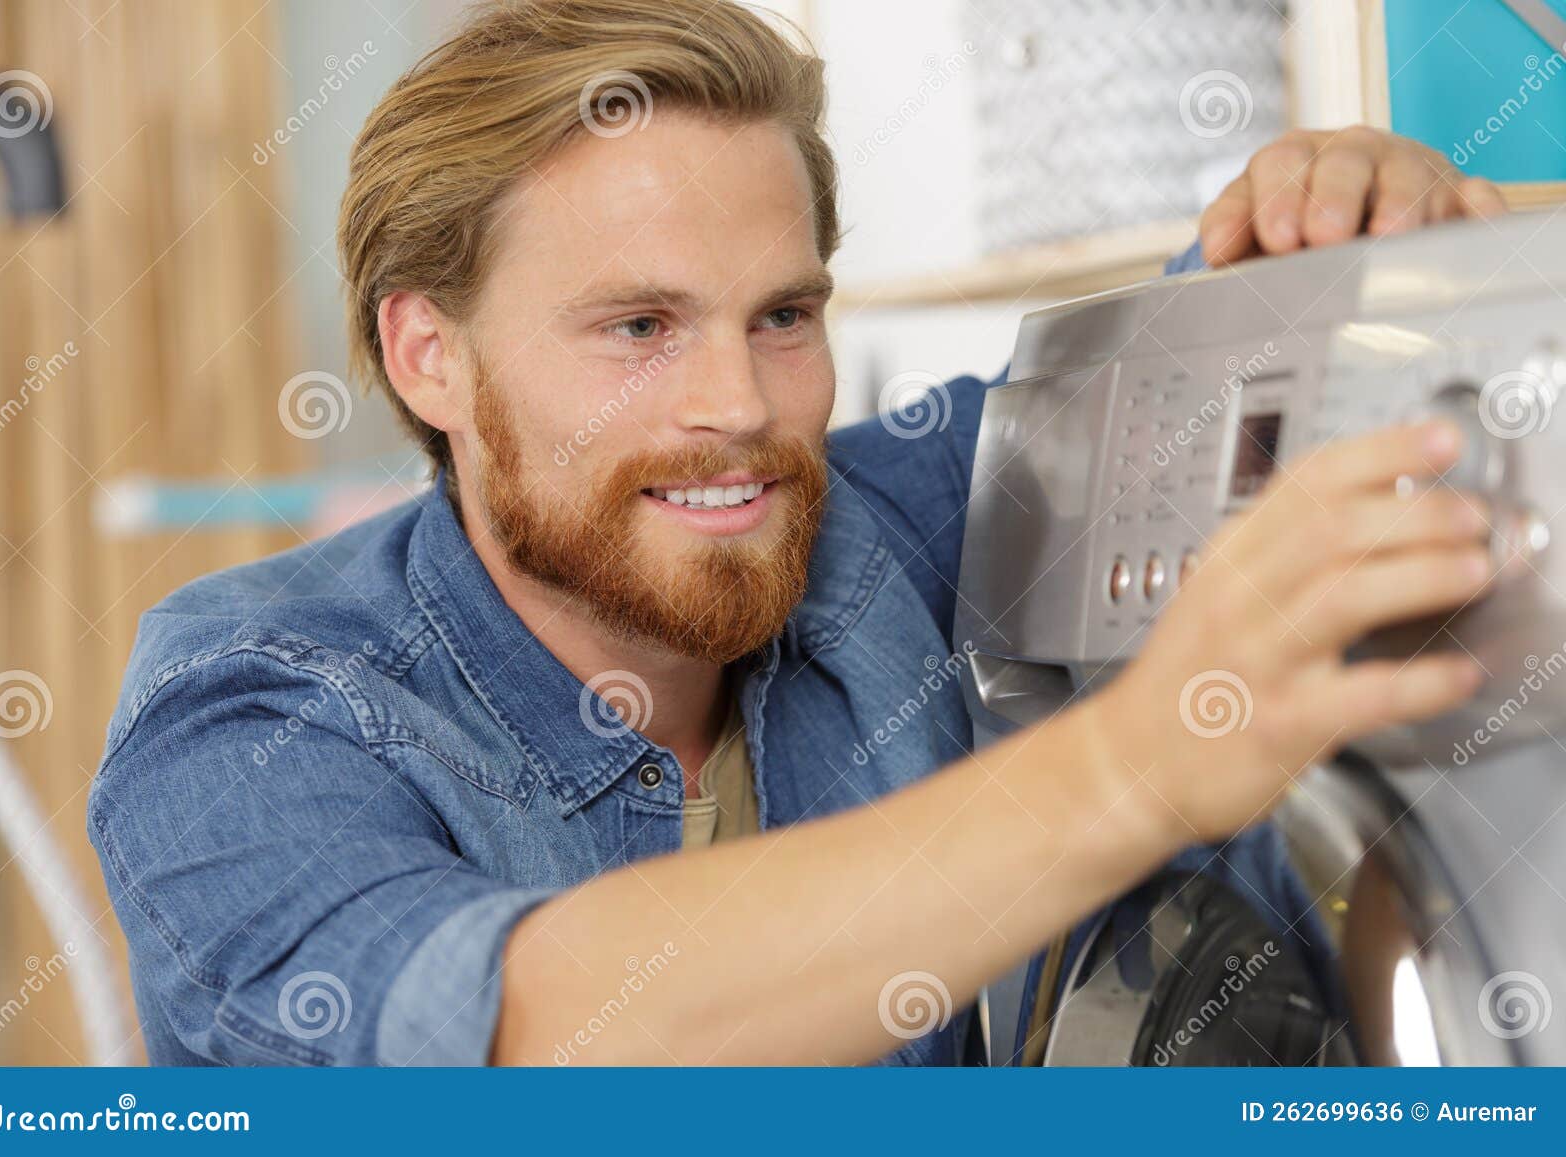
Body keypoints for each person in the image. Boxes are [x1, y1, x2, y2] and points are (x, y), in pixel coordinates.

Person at [88, 0, 1507, 1066]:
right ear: (428, 357)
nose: (740, 406)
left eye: (784, 316)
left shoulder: (882, 527)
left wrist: (1329, 213)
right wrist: (1136, 769)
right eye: (639, 327)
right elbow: (527, 1034)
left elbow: (1172, 389)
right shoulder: (247, 715)